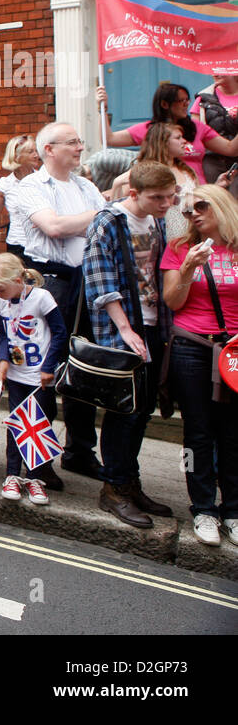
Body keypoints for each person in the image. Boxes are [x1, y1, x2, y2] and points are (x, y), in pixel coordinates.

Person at [82, 160, 176, 529]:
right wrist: (124, 330)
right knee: (124, 410)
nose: (166, 203)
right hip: (122, 331)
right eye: (157, 197)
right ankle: (114, 489)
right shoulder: (108, 220)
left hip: (154, 325)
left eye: (170, 197)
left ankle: (130, 482)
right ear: (133, 193)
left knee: (144, 408)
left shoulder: (160, 219)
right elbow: (99, 279)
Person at [12, 122, 107, 479]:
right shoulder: (31, 186)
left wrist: (84, 219)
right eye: (72, 142)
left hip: (88, 283)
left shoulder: (86, 186)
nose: (80, 148)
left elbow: (100, 227)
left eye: (80, 141)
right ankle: (37, 459)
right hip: (49, 281)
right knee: (42, 369)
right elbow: (53, 227)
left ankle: (80, 451)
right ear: (49, 149)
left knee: (85, 366)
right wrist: (100, 214)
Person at [161, 184, 238, 546]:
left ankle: (234, 510)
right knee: (196, 433)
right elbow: (173, 302)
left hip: (234, 351)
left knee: (233, 433)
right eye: (188, 210)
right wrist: (189, 268)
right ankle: (203, 509)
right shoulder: (179, 249)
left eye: (201, 206)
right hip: (191, 347)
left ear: (221, 205)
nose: (193, 214)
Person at [0, 253, 68, 505]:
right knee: (16, 425)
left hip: (38, 377)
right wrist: (2, 359)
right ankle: (12, 474)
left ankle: (34, 478)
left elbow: (60, 333)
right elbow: (3, 337)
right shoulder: (3, 302)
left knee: (36, 427)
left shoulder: (41, 298)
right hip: (17, 375)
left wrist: (48, 366)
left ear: (18, 279)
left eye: (1, 288)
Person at [97, 82, 238, 182]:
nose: (186, 104)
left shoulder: (197, 127)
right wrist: (102, 110)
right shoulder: (150, 129)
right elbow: (109, 139)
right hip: (164, 194)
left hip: (196, 193)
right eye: (181, 100)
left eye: (187, 100)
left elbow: (230, 148)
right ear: (165, 104)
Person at [0, 134, 40, 255]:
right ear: (16, 156)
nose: (36, 155)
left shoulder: (44, 180)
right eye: (30, 152)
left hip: (42, 245)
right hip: (17, 246)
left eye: (36, 151)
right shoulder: (5, 184)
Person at [191, 69, 238, 187]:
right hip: (212, 160)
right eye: (213, 69)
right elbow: (194, 132)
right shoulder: (203, 98)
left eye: (221, 69)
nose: (215, 73)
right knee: (214, 198)